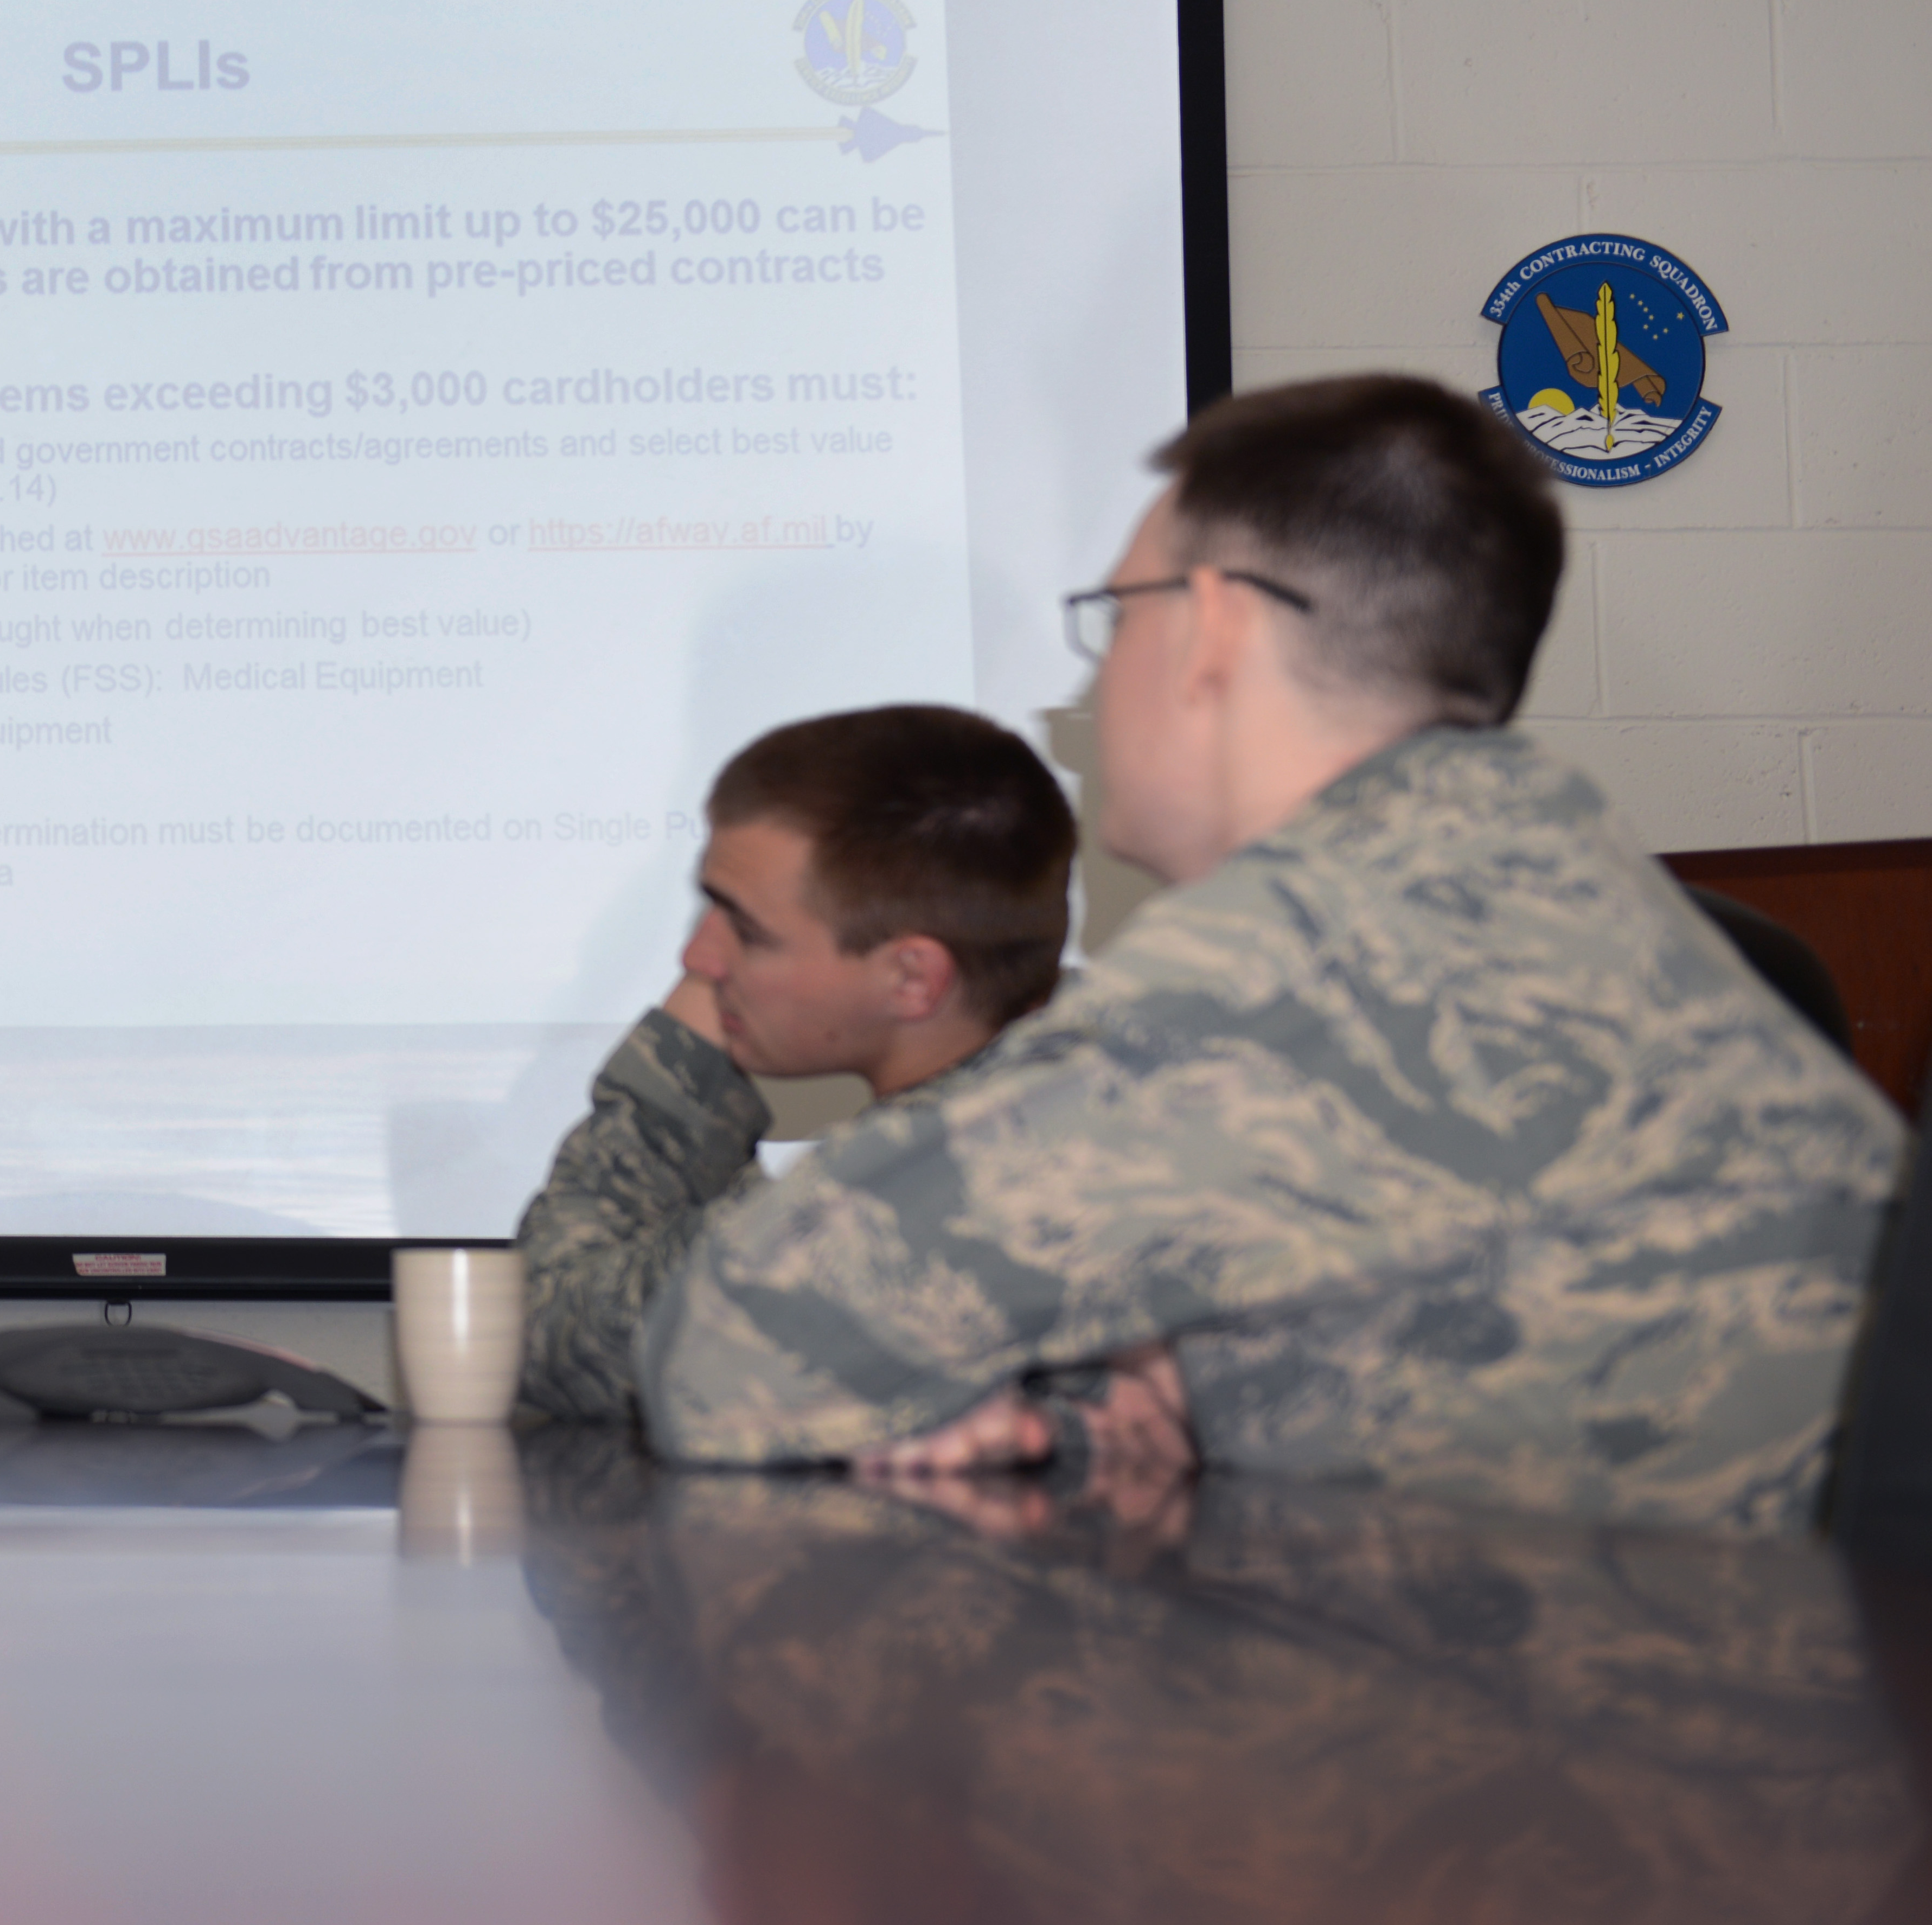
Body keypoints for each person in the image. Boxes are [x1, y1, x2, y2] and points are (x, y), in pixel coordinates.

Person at [516, 374, 1909, 1533]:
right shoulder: (1555, 869)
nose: (1087, 683)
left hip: (1625, 1799)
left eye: (1114, 618)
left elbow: (715, 1354)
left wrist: (973, 1396)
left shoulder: (1264, 978)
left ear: (1214, 631)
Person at [522, 702, 1076, 1382]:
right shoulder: (1099, 1089)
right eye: (711, 910)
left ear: (911, 979)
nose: (699, 956)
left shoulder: (895, 1201)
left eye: (748, 931)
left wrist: (681, 1074)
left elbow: (541, 1334)